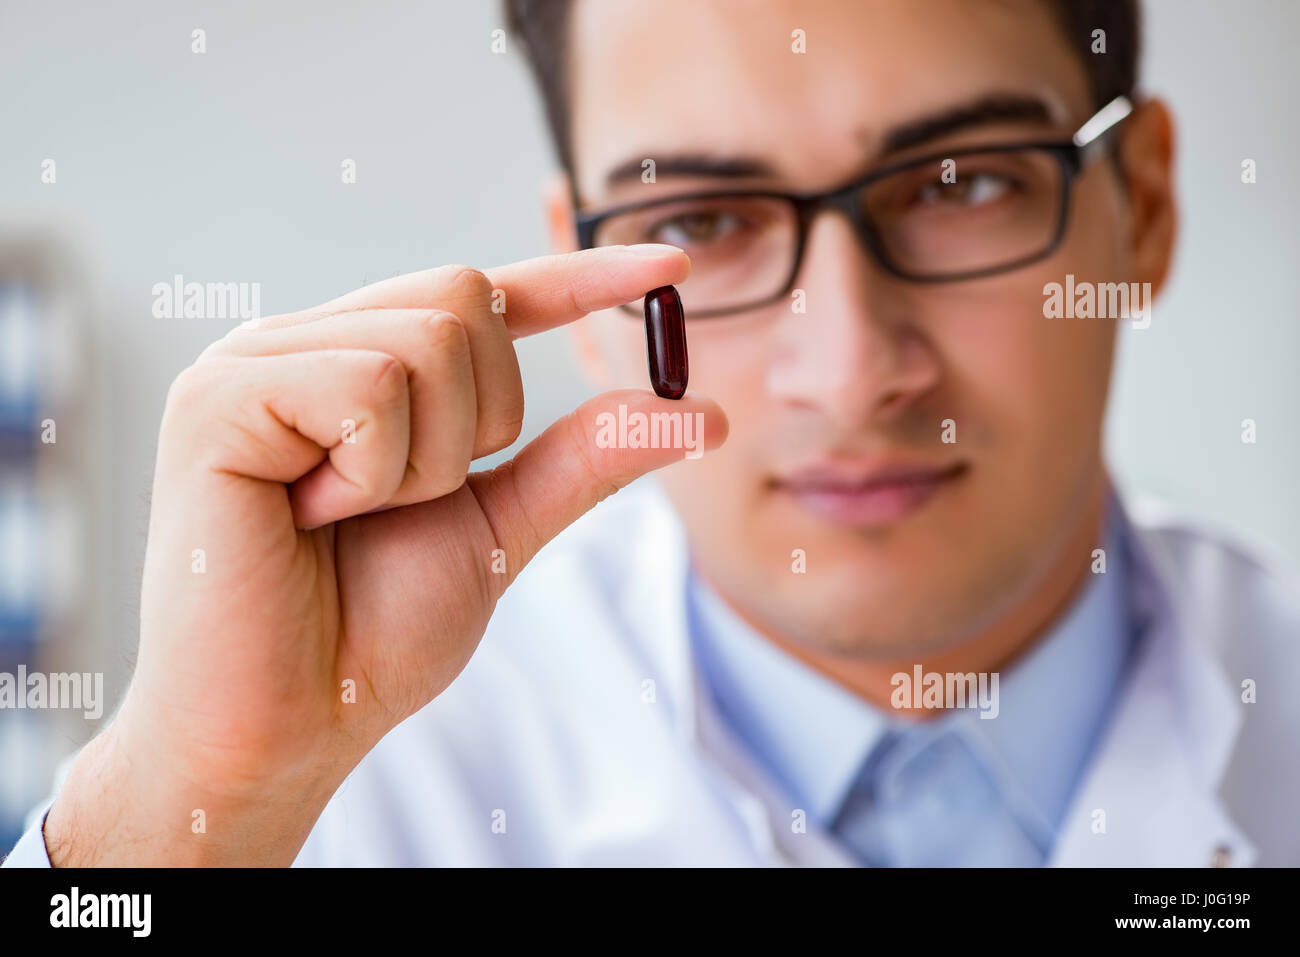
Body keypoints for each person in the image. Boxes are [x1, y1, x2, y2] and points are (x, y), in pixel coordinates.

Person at [5, 0, 1298, 868]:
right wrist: (195, 797)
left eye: (963, 185)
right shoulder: (370, 794)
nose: (849, 372)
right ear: (585, 284)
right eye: (707, 222)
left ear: (1142, 207)